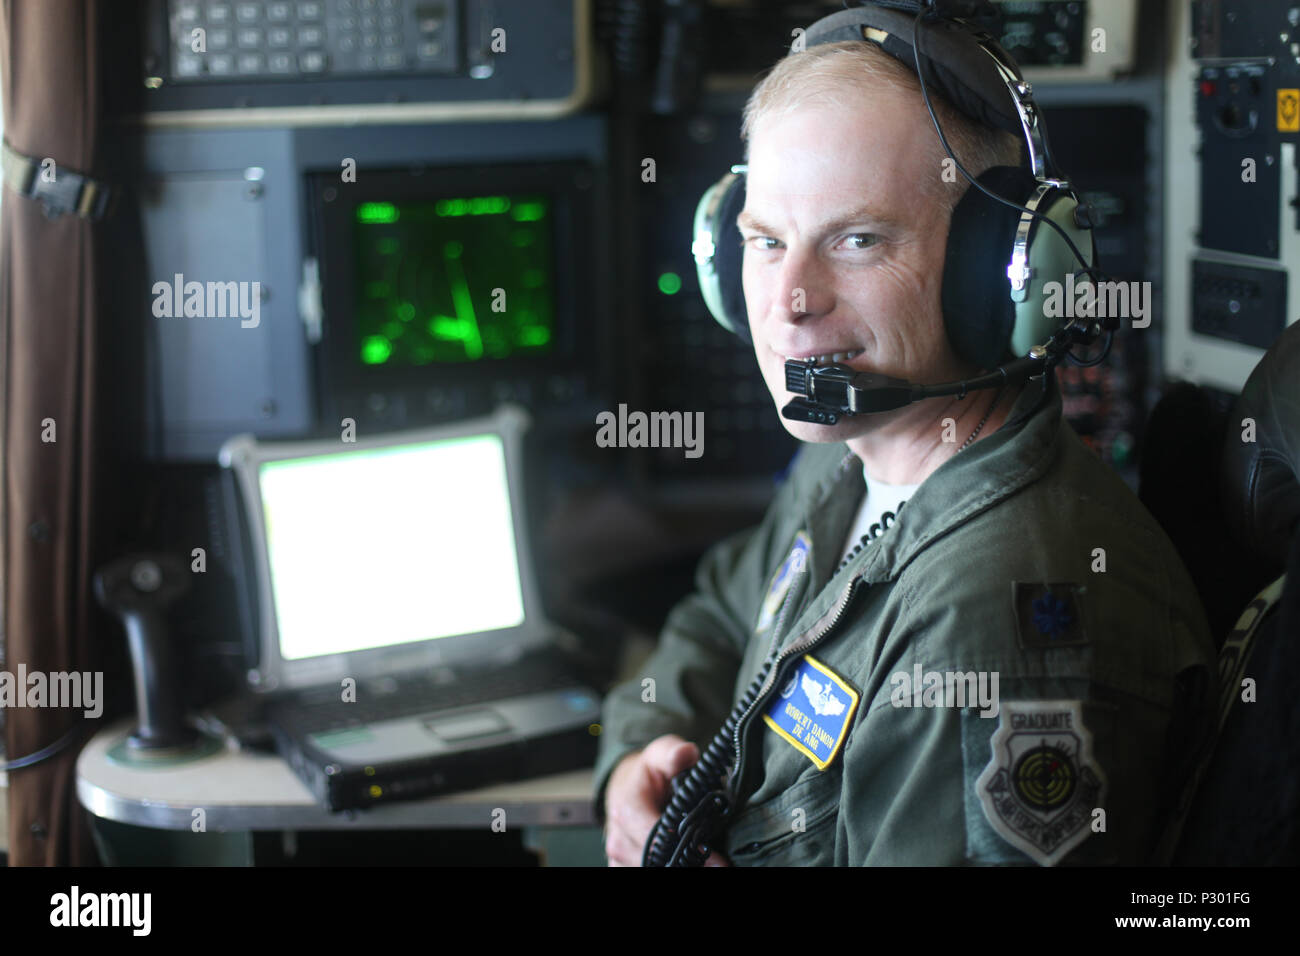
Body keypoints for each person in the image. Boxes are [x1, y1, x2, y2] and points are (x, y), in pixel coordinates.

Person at [594, 12, 1216, 867]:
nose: (790, 302)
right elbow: (718, 613)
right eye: (766, 241)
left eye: (856, 241)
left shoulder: (994, 624)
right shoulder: (845, 453)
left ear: (997, 274)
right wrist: (639, 753)